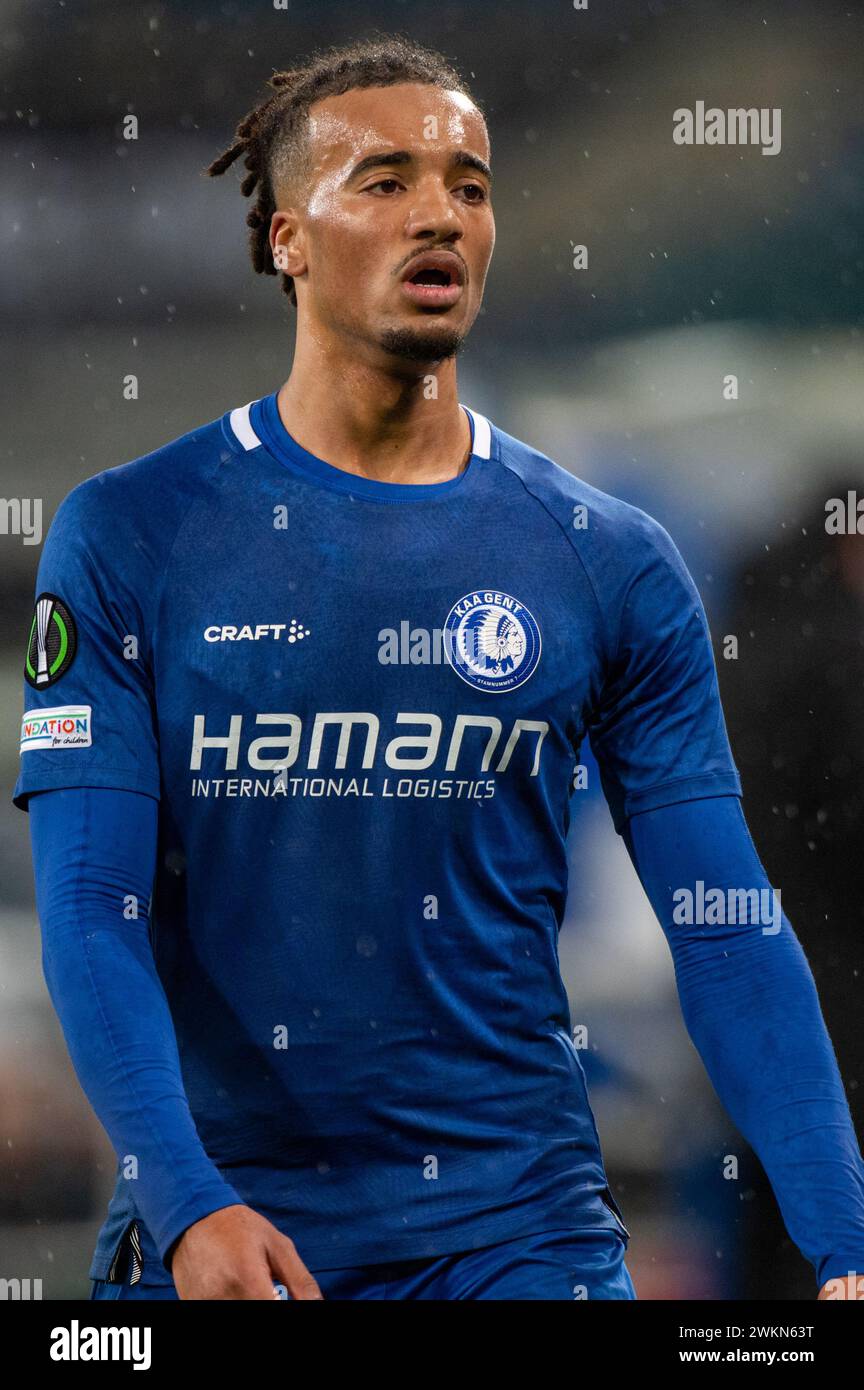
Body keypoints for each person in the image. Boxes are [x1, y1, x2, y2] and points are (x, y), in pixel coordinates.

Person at [14, 36, 864, 1301]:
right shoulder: (133, 532)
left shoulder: (605, 558)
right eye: (386, 181)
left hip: (518, 1235)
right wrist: (187, 1201)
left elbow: (727, 928)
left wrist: (844, 1237)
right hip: (228, 1232)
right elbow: (92, 908)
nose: (440, 215)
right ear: (288, 237)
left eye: (469, 183)